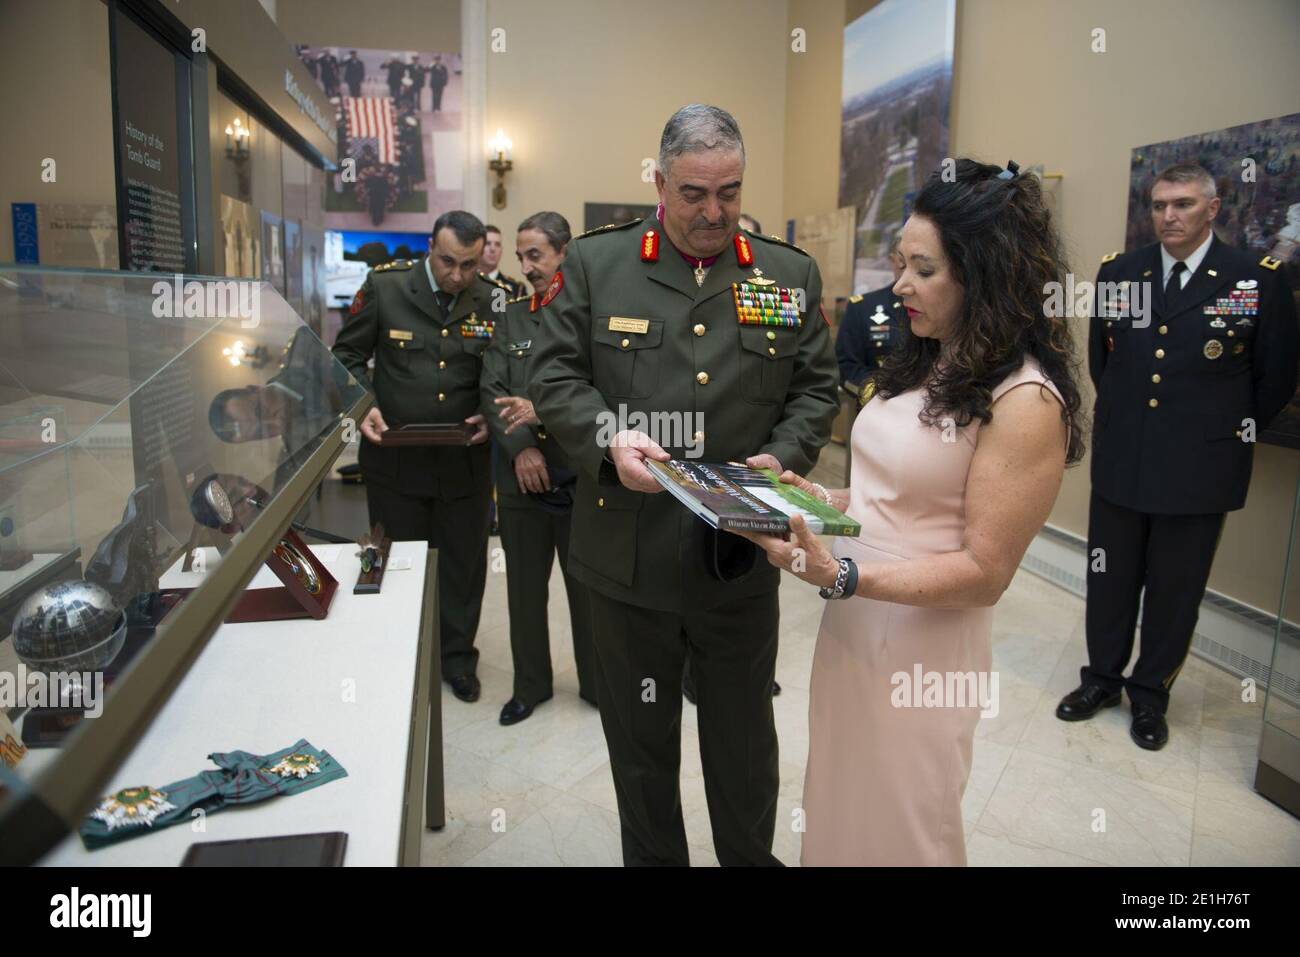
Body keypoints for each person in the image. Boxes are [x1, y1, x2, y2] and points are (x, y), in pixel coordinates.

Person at [742, 159, 1083, 866]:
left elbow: (985, 572)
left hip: (924, 649)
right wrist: (809, 498)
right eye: (900, 264)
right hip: (856, 627)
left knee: (905, 821)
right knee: (841, 798)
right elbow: (886, 498)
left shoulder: (1025, 401)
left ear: (982, 273)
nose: (899, 285)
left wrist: (841, 576)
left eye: (922, 269)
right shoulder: (928, 359)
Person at [530, 104, 839, 866]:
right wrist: (609, 438)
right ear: (659, 181)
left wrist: (781, 452)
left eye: (729, 192)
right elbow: (555, 374)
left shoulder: (784, 271)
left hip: (736, 554)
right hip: (624, 560)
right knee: (641, 751)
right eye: (695, 193)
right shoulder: (600, 266)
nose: (714, 211)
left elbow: (814, 388)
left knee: (742, 747)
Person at [1058, 163, 1298, 749]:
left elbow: (1276, 376)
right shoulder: (1121, 273)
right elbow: (1104, 363)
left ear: (1212, 209)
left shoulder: (1256, 278)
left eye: (1184, 204)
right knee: (1110, 581)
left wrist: (1221, 432)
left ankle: (1149, 696)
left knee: (1175, 590)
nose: (1168, 215)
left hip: (1202, 469)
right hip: (1125, 460)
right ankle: (1102, 681)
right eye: (1160, 204)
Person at [332, 210, 510, 703]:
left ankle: (456, 660)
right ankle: (399, 657)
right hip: (396, 463)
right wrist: (363, 403)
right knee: (395, 564)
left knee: (462, 566)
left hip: (464, 464)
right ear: (431, 248)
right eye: (449, 261)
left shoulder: (494, 300)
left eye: (469, 266)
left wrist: (487, 409)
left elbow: (508, 371)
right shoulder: (387, 288)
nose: (457, 275)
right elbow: (344, 356)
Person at [481, 211, 599, 725]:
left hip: (582, 474)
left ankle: (598, 686)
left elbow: (603, 393)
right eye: (521, 256)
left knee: (589, 593)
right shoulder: (511, 316)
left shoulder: (595, 314)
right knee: (525, 593)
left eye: (536, 254)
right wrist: (523, 447)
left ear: (563, 252)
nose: (526, 266)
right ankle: (531, 686)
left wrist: (545, 418)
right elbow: (492, 389)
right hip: (522, 478)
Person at [836, 240, 905, 400]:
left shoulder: (939, 306)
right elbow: (845, 366)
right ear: (893, 260)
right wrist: (877, 395)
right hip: (880, 409)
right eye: (903, 265)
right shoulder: (863, 307)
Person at [480, 225, 527, 297]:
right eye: (488, 243)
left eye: (497, 244)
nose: (493, 249)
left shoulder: (516, 289)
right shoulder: (467, 283)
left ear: (501, 250)